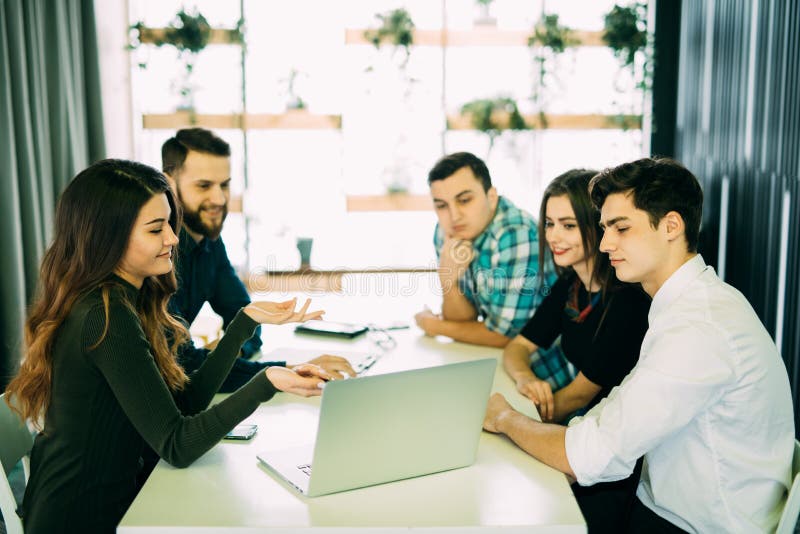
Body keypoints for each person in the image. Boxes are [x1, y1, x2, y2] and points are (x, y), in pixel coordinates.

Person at [5, 159, 331, 532]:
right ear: (107, 236)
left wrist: (244, 321)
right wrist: (267, 382)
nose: (173, 239)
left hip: (113, 503)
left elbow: (183, 405)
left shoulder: (125, 300)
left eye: (169, 225)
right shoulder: (106, 316)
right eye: (156, 229)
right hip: (82, 519)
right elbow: (177, 445)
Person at [483, 157, 795, 532]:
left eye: (621, 228)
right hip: (668, 503)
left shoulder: (698, 327)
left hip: (693, 524)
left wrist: (504, 418)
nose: (605, 243)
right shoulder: (692, 304)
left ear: (671, 226)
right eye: (604, 228)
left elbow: (593, 456)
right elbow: (617, 411)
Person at [503, 169, 650, 531]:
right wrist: (524, 380)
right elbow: (517, 347)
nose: (554, 236)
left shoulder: (626, 298)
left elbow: (578, 395)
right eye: (550, 224)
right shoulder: (571, 285)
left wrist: (510, 418)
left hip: (620, 464)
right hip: (585, 436)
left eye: (568, 225)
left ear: (595, 225)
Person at [161, 128, 354, 392]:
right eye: (204, 185)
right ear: (169, 183)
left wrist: (231, 353)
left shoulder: (210, 243)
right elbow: (180, 366)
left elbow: (246, 319)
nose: (219, 199)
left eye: (225, 185)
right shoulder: (158, 254)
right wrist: (288, 371)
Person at [414, 152, 571, 389]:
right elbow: (463, 320)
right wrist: (448, 280)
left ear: (492, 196)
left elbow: (504, 336)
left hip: (544, 377)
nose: (454, 215)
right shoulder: (447, 232)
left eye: (464, 200)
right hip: (497, 366)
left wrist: (433, 326)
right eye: (442, 206)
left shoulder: (515, 233)